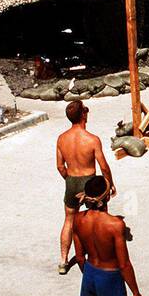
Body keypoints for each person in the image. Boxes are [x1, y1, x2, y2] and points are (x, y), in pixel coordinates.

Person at [56, 100, 114, 275]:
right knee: (99, 216)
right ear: (83, 115)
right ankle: (101, 252)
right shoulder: (92, 140)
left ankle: (63, 261)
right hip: (89, 181)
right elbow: (103, 166)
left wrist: (70, 180)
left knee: (69, 220)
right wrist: (109, 184)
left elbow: (60, 166)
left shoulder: (61, 138)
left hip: (71, 181)